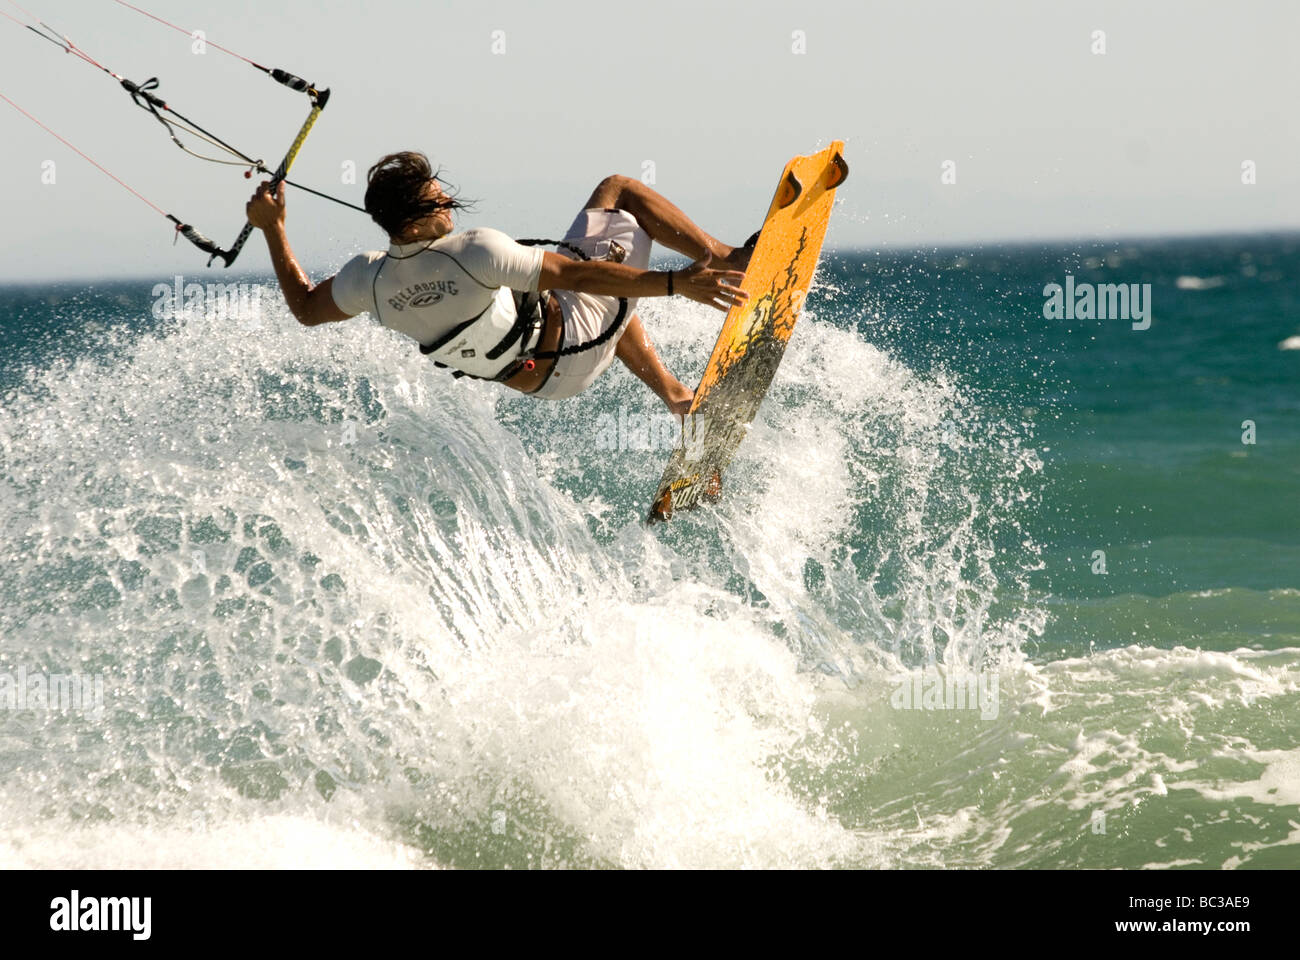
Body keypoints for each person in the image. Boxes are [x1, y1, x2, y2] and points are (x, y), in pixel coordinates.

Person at [244, 151, 753, 413]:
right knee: (617, 191)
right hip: (576, 339)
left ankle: (677, 397)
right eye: (435, 197)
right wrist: (677, 283)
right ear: (415, 220)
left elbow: (306, 308)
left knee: (587, 279)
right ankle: (732, 260)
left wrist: (274, 229)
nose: (447, 201)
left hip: (544, 383)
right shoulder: (475, 251)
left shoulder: (367, 280)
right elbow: (578, 273)